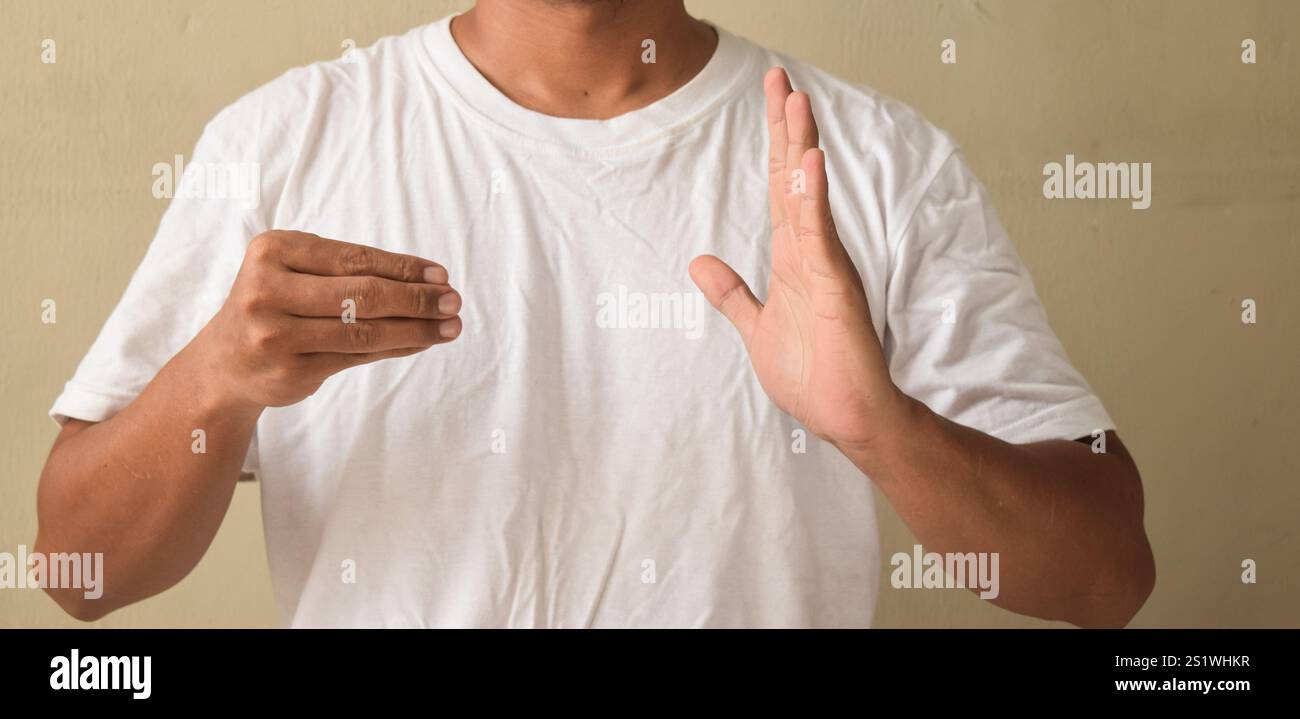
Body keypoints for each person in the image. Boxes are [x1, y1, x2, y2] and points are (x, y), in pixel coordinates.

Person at [36, 0, 1154, 627]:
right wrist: (215, 382)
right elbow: (78, 571)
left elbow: (1105, 576)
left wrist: (881, 427)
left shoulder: (874, 159)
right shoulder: (284, 140)